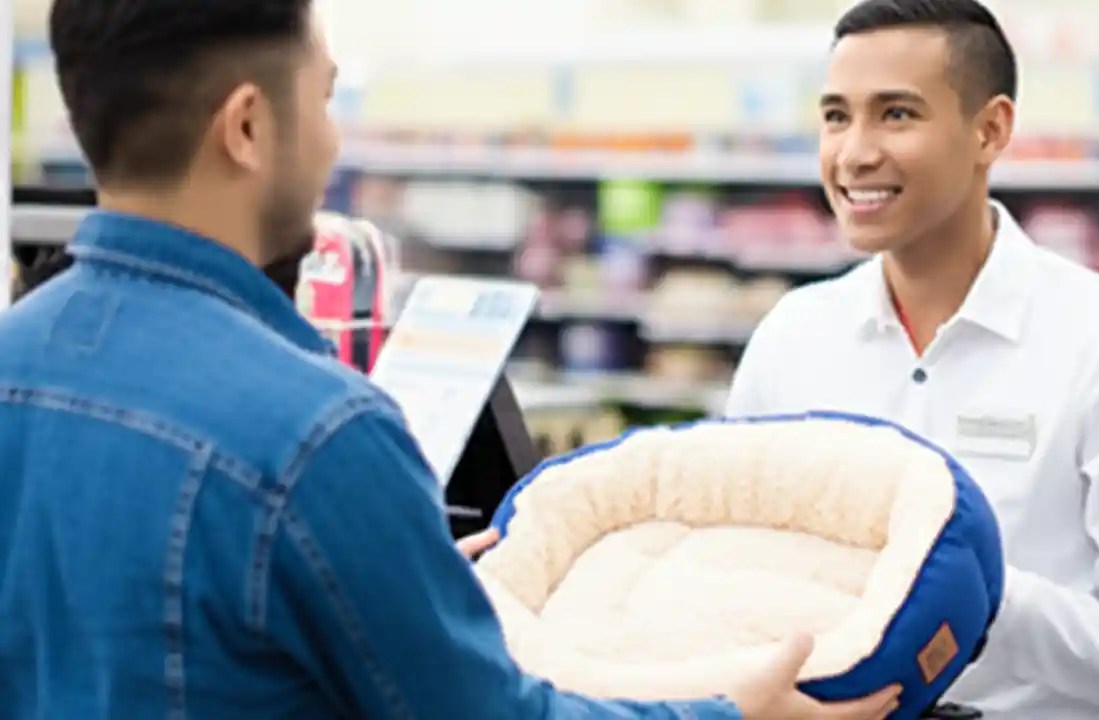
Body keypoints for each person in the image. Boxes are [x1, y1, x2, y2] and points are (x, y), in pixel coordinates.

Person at [0, 2, 907, 719]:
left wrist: (397, 573)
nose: (332, 142)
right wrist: (724, 712)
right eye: (322, 100)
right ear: (246, 128)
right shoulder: (315, 435)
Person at [724, 0, 1099, 717]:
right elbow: (736, 585)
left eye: (897, 114)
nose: (855, 152)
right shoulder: (791, 337)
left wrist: (979, 595)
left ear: (990, 130)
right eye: (837, 116)